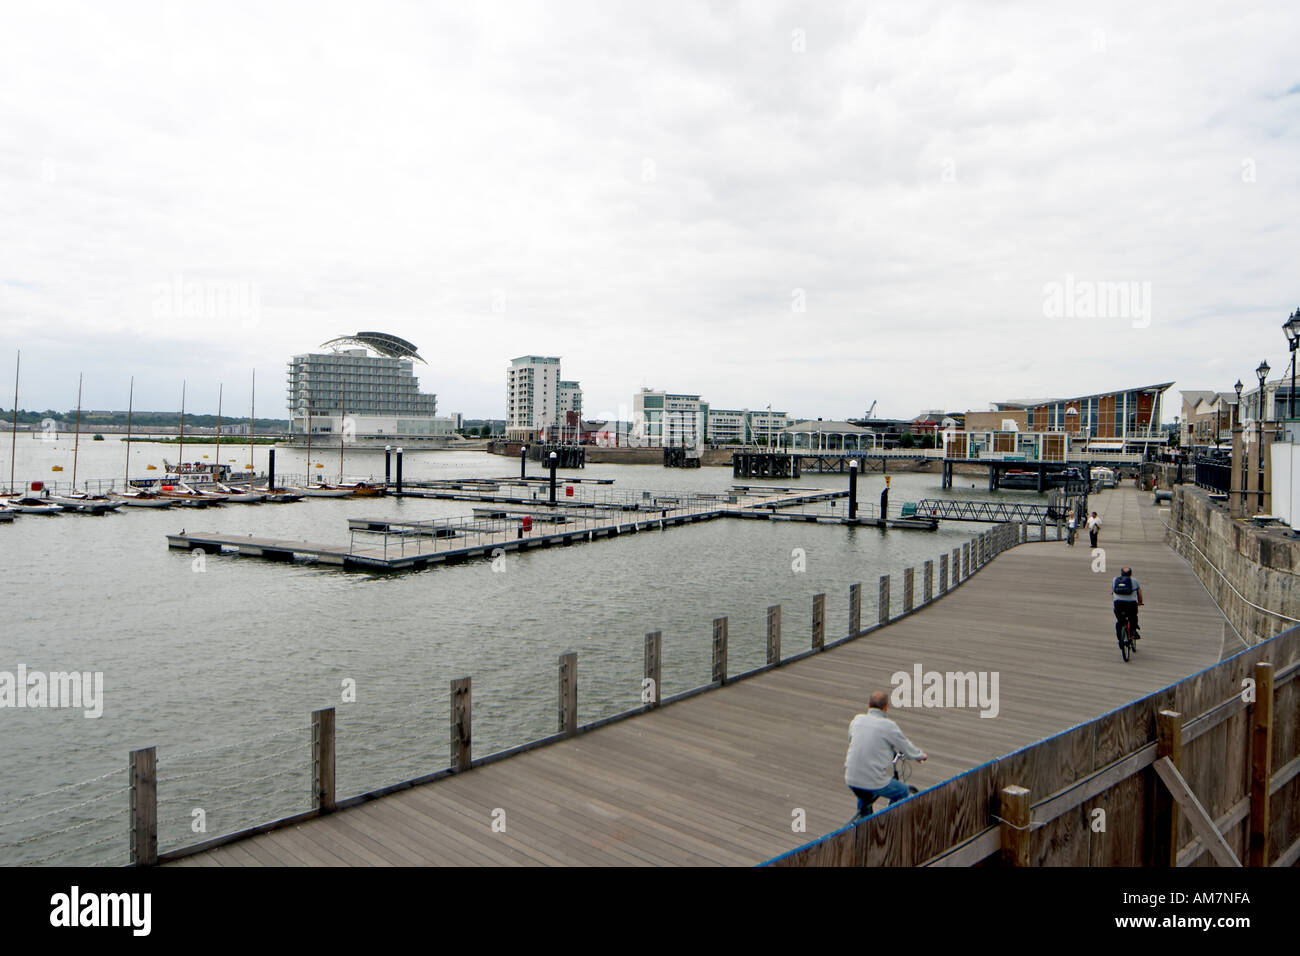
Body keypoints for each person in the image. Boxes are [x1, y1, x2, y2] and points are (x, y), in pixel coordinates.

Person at [845, 691, 927, 821]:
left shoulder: (857, 720)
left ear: (868, 705)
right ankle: (888, 824)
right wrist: (919, 756)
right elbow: (905, 746)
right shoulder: (888, 726)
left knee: (865, 798)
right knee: (902, 791)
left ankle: (864, 825)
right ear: (886, 707)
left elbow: (852, 739)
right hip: (871, 779)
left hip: (851, 777)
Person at [1112, 566, 1143, 645]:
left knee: (1120, 622)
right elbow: (1139, 593)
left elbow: (1113, 591)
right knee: (1133, 616)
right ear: (1131, 574)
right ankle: (1133, 631)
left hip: (1118, 604)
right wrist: (1140, 602)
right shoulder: (1135, 581)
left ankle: (1120, 641)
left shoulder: (1115, 579)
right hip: (1131, 604)